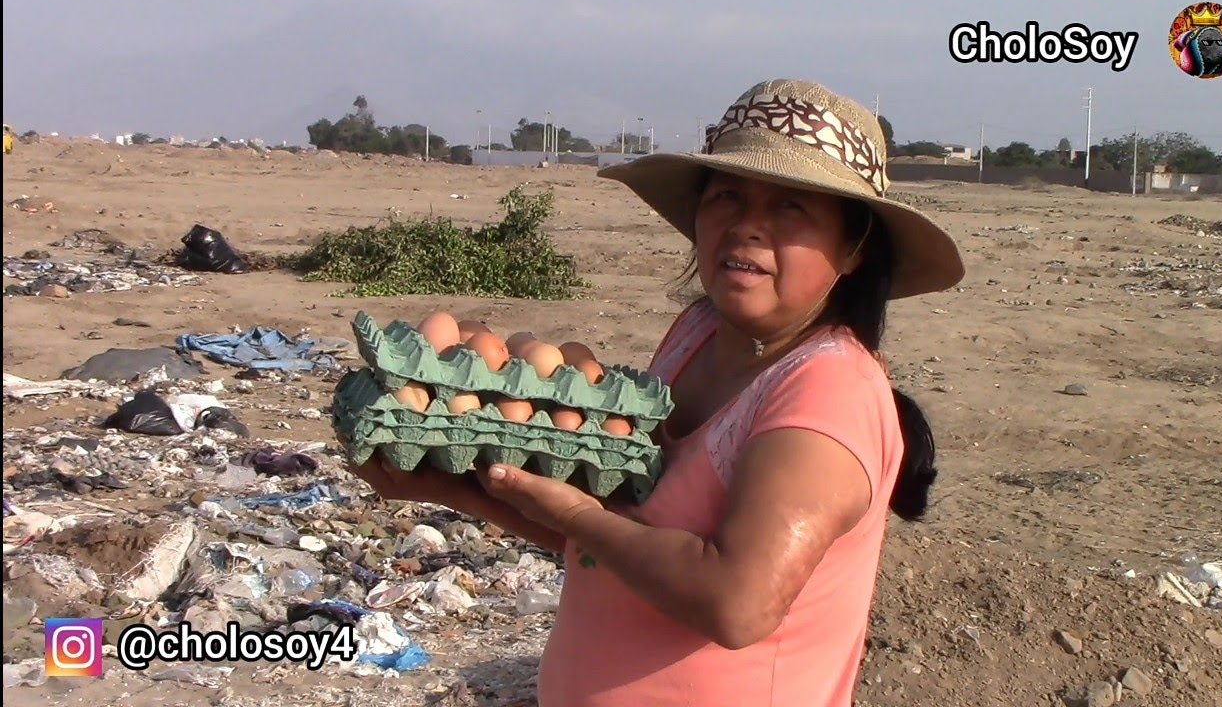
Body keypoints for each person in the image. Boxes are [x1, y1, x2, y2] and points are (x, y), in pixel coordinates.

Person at [353, 78, 965, 707]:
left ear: (855, 247)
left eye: (791, 208)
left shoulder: (827, 392)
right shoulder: (697, 334)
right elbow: (622, 536)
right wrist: (443, 484)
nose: (747, 227)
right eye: (728, 196)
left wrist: (575, 514)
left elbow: (738, 605)